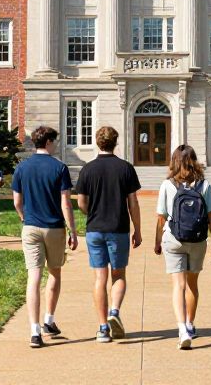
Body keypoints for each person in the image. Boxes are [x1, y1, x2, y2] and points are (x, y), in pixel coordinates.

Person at [11, 126, 78, 349]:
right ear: (48, 142)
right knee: (54, 272)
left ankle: (34, 330)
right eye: (55, 141)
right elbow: (66, 203)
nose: (56, 145)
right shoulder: (59, 168)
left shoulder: (22, 168)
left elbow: (16, 202)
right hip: (54, 228)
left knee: (34, 277)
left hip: (30, 226)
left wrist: (24, 217)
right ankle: (49, 318)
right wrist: (73, 230)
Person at [75, 126, 142, 343]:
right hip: (118, 228)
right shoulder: (125, 168)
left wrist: (92, 212)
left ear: (97, 142)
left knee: (99, 278)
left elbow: (81, 202)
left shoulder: (87, 170)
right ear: (116, 142)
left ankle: (103, 328)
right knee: (119, 275)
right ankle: (114, 312)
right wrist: (138, 229)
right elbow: (133, 202)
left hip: (95, 229)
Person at [154, 144, 211, 351]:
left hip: (173, 239)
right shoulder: (204, 185)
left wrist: (157, 241)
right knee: (192, 284)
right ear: (194, 161)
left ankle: (182, 328)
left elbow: (161, 217)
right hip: (198, 240)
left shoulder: (167, 185)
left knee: (178, 285)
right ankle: (190, 324)